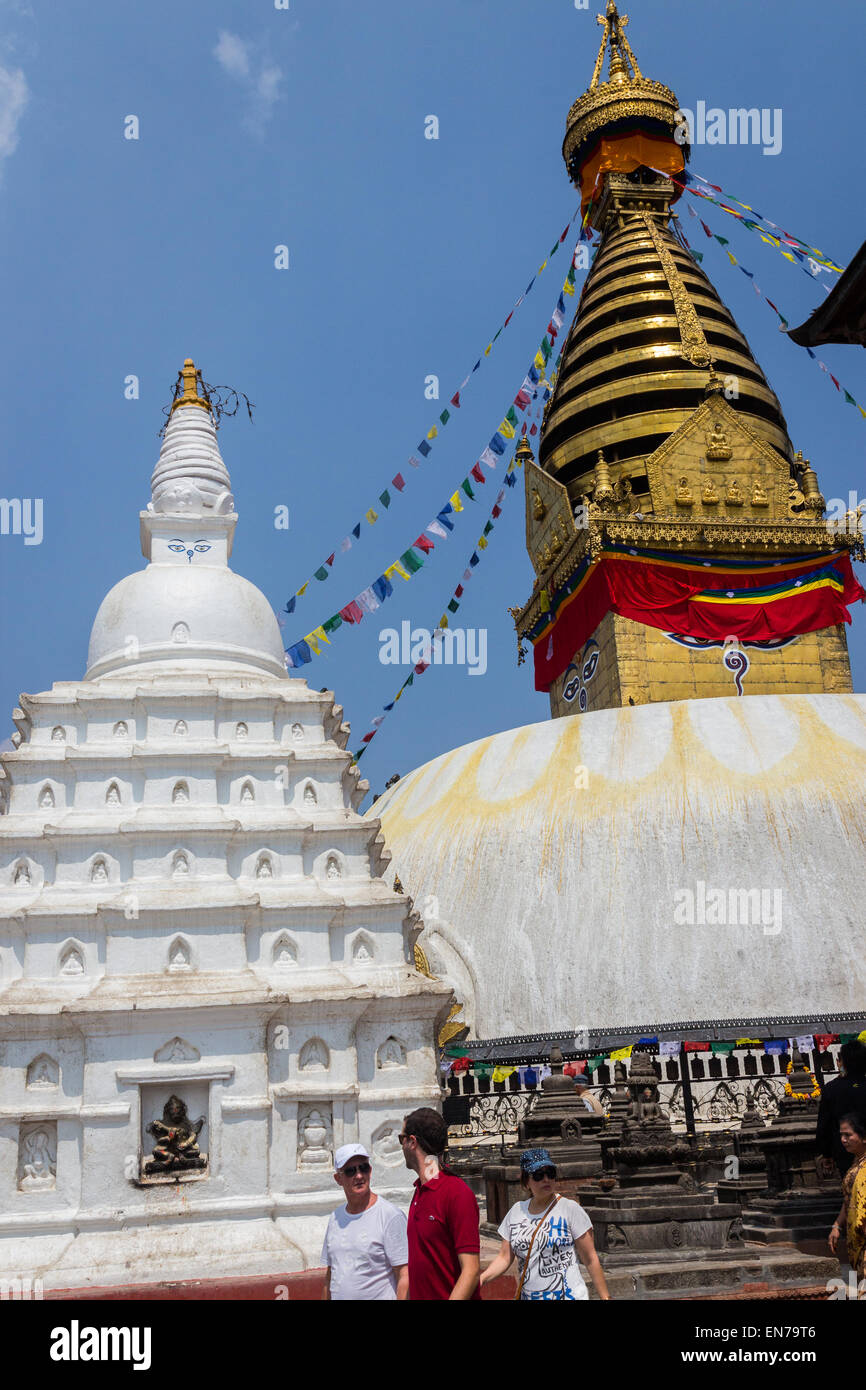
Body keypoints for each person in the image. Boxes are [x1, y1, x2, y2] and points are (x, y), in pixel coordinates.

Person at [480, 1148, 611, 1301]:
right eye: (538, 1175)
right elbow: (504, 1257)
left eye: (550, 1173)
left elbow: (590, 1258)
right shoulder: (516, 1212)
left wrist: (605, 1296)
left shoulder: (570, 1209)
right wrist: (481, 1279)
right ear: (526, 1182)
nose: (546, 1179)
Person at [401, 1107, 480, 1300]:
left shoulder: (456, 1193)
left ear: (412, 1142)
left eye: (401, 1139)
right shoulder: (420, 1191)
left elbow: (471, 1271)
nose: (400, 1145)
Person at [321, 1143, 408, 1300]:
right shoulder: (335, 1218)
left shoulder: (390, 1215)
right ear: (338, 1178)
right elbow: (330, 1277)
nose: (359, 1175)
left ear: (370, 1171)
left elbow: (405, 1275)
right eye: (350, 1171)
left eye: (363, 1168)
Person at [816, 1041, 866, 1177]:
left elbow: (824, 1125)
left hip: (845, 1149)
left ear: (842, 1062)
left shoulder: (831, 1089)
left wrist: (826, 1154)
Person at [828, 1114, 866, 1291]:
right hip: (856, 1238)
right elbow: (848, 1198)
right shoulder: (856, 1162)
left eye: (848, 1135)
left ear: (864, 1136)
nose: (843, 1140)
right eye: (841, 1135)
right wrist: (837, 1225)